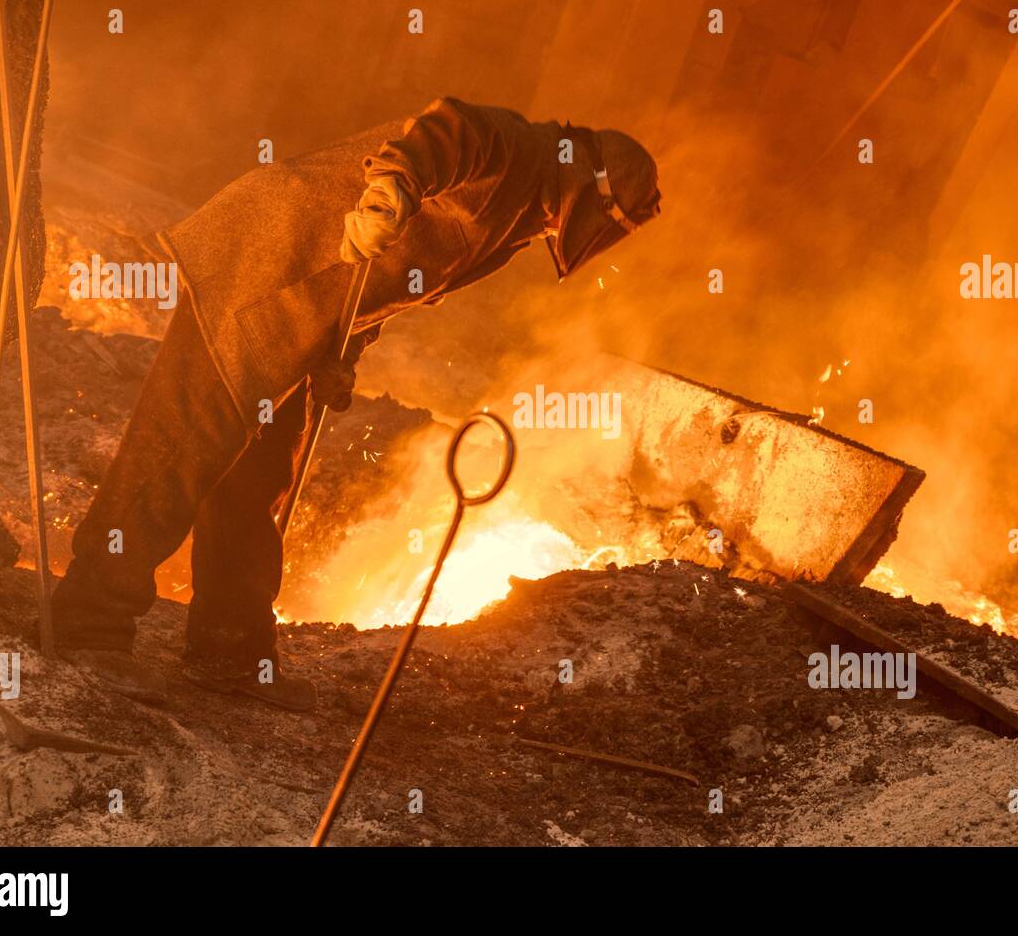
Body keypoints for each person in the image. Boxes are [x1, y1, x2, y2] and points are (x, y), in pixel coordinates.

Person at [49, 97, 661, 711]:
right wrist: (391, 189)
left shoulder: (517, 219)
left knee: (256, 484)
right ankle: (87, 624)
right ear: (587, 189)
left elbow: (394, 278)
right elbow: (442, 133)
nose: (569, 233)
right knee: (177, 450)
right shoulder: (512, 148)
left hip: (309, 311)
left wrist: (343, 350)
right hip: (264, 268)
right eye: (595, 223)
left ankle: (229, 653)